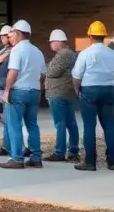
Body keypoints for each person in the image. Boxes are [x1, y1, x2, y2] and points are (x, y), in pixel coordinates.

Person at [72, 21, 114, 172]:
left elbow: (76, 75)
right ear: (104, 36)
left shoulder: (85, 54)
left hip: (88, 89)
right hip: (108, 89)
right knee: (109, 126)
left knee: (89, 126)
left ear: (89, 36)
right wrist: (112, 82)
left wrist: (77, 89)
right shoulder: (113, 54)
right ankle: (112, 161)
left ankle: (90, 162)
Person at [0, 19, 46, 170]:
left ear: (19, 33)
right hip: (34, 91)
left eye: (12, 33)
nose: (10, 37)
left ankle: (17, 158)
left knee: (15, 125)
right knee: (32, 125)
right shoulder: (37, 51)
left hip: (18, 91)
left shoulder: (17, 50)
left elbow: (13, 72)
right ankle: (36, 157)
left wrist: (6, 90)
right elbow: (43, 74)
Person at [44, 29, 80, 163]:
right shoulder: (70, 54)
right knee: (71, 123)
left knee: (60, 123)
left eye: (52, 42)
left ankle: (60, 152)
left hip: (58, 93)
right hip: (67, 93)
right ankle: (73, 150)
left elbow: (52, 72)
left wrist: (47, 67)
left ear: (60, 41)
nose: (50, 45)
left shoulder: (64, 54)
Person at [0, 25, 21, 158]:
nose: (1, 38)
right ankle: (7, 146)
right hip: (0, 87)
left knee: (10, 119)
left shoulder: (15, 50)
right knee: (5, 119)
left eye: (4, 36)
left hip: (9, 88)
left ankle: (14, 147)